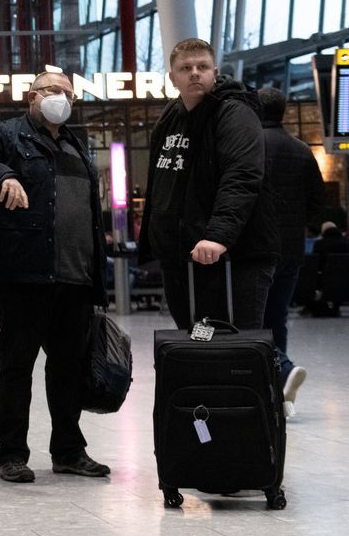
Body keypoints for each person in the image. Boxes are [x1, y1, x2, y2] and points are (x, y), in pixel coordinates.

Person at [0, 70, 110, 484]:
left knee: (68, 368)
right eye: (53, 91)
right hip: (24, 275)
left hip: (76, 278)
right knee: (17, 365)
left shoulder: (77, 144)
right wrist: (3, 175)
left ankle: (69, 451)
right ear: (32, 97)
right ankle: (12, 455)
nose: (61, 98)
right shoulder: (8, 136)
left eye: (68, 93)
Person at [138, 38, 278, 331]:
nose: (194, 73)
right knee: (197, 342)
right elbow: (162, 184)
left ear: (215, 72)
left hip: (236, 255)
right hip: (183, 258)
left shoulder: (234, 112)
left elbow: (242, 176)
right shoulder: (170, 118)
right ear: (172, 78)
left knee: (236, 341)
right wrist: (155, 242)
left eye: (202, 67)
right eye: (185, 68)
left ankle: (272, 374)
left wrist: (218, 236)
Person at [257, 87, 324, 417]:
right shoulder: (302, 151)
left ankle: (281, 371)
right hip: (292, 250)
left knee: (253, 319)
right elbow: (317, 203)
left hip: (256, 250)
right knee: (277, 317)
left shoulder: (251, 148)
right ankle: (278, 389)